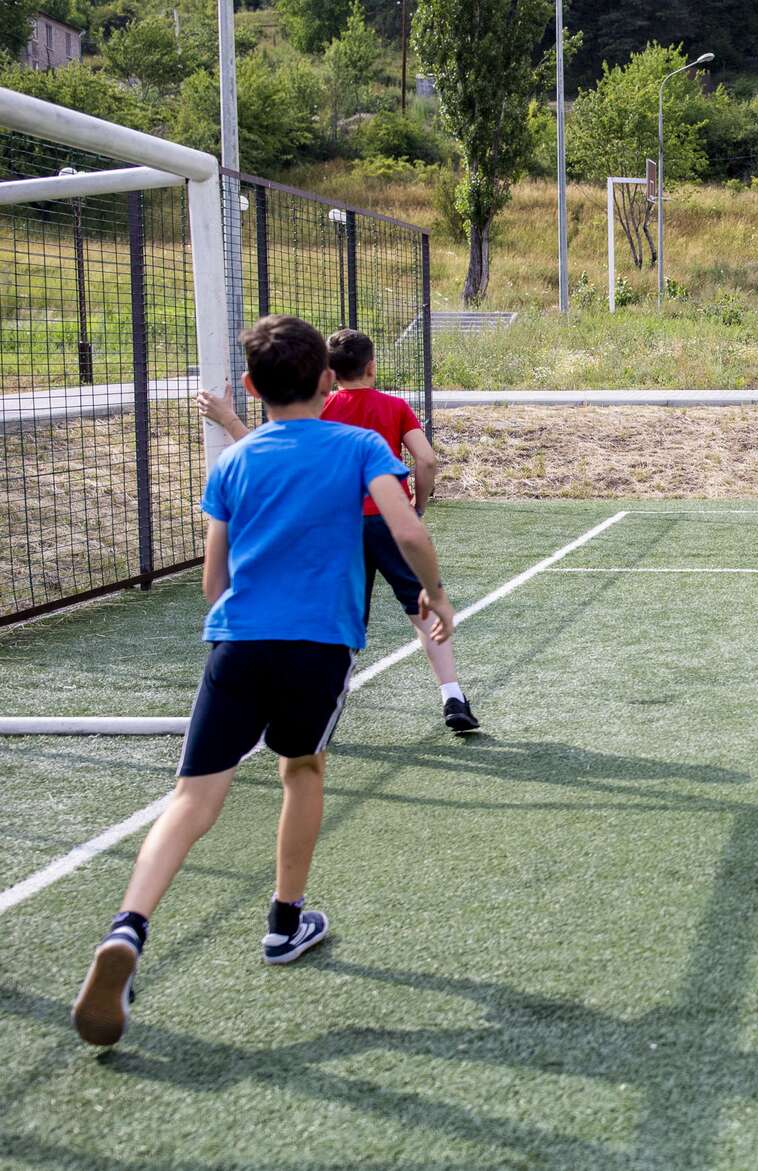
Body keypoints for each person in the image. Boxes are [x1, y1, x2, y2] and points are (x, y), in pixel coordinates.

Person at [72, 315, 456, 1047]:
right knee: (302, 768)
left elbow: (214, 580)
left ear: (249, 387)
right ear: (325, 382)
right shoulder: (359, 443)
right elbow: (407, 529)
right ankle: (285, 922)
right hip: (317, 646)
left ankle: (128, 925)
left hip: (238, 641)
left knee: (191, 799)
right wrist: (433, 592)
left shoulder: (233, 463)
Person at [199, 328, 479, 733]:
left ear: (327, 373)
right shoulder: (395, 406)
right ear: (371, 366)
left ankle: (320, 710)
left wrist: (228, 419)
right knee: (423, 610)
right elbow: (427, 459)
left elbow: (272, 452)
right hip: (387, 518)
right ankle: (452, 695)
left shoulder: (319, 410)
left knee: (342, 621)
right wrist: (416, 506)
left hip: (336, 523)